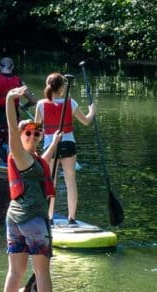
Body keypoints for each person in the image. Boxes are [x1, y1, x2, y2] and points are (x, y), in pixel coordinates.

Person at [1, 86, 63, 292]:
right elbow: (11, 132)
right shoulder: (18, 153)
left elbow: (42, 164)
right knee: (41, 272)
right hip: (34, 221)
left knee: (15, 271)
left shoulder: (32, 160)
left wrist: (54, 143)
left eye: (37, 133)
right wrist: (9, 99)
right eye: (28, 133)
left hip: (14, 218)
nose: (33, 137)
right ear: (20, 135)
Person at [34, 72, 96, 225]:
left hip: (51, 145)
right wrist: (92, 111)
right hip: (68, 144)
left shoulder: (41, 104)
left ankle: (49, 218)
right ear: (62, 87)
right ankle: (71, 218)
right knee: (70, 181)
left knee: (51, 182)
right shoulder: (71, 102)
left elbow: (37, 130)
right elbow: (86, 121)